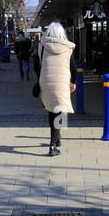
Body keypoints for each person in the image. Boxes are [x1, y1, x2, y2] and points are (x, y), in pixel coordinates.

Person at [34, 22, 75, 157]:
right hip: (62, 84)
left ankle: (57, 139)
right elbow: (73, 67)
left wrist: (41, 79)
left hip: (45, 82)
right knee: (61, 113)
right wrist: (73, 82)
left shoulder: (42, 46)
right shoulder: (68, 47)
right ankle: (52, 146)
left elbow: (36, 65)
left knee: (51, 110)